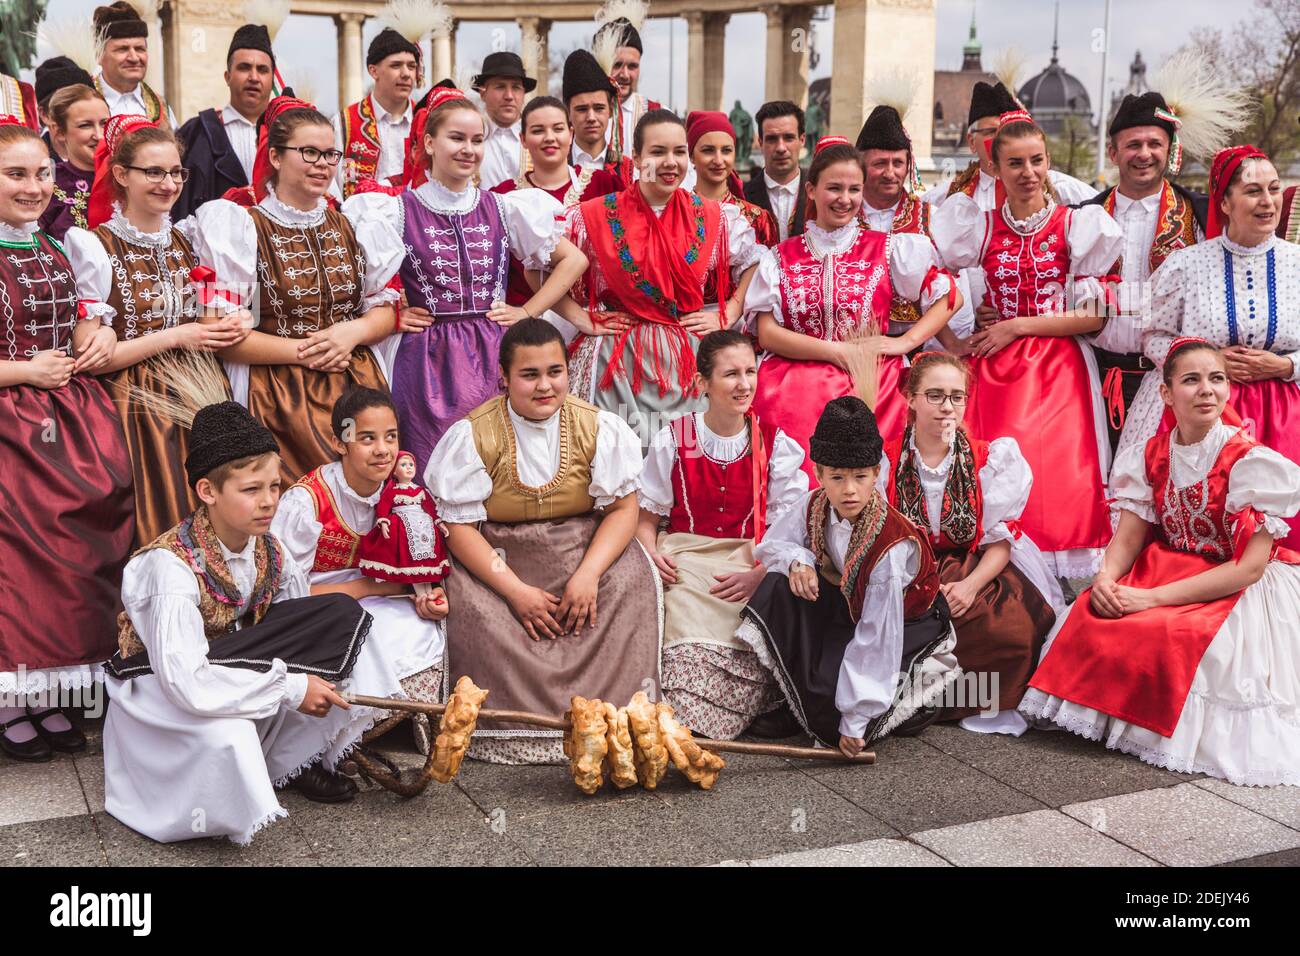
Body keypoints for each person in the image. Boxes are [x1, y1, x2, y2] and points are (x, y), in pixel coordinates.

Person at [102, 401, 390, 844]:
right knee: (229, 735)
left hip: (227, 660)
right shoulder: (169, 569)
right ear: (207, 491)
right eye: (252, 489)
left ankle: (293, 757)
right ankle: (237, 784)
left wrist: (306, 669)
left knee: (339, 616)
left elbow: (293, 618)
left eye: (275, 486)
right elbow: (185, 682)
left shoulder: (268, 547)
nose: (270, 501)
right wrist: (292, 687)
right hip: (160, 689)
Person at [1021, 338, 1300, 787]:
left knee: (1172, 631)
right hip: (1171, 565)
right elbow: (1128, 537)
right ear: (1166, 394)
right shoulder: (1150, 456)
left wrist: (1149, 598)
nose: (1207, 390)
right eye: (1192, 380)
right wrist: (1106, 578)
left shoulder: (1251, 462)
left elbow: (1249, 568)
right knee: (1092, 612)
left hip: (1236, 583)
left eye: (1217, 379)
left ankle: (1161, 731)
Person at [426, 319, 655, 764]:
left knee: (630, 580)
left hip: (581, 548)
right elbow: (457, 528)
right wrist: (515, 593)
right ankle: (513, 730)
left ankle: (615, 718)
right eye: (529, 375)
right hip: (501, 558)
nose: (545, 386)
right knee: (473, 605)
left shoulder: (601, 428)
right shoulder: (472, 435)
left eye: (555, 372)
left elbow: (623, 510)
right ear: (504, 378)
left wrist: (588, 574)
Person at [343, 88, 589, 475]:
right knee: (430, 463)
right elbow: (362, 283)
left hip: (493, 352)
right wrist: (393, 313)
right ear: (430, 142)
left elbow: (573, 260)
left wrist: (527, 311)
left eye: (477, 140)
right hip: (426, 357)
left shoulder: (504, 206)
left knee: (495, 462)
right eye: (457, 138)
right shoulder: (395, 210)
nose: (468, 150)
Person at [931, 110, 1122, 579]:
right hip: (993, 367)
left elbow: (1094, 314)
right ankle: (1001, 575)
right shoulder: (978, 225)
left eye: (1036, 160)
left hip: (1058, 367)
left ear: (1048, 161)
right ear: (994, 167)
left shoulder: (1076, 224)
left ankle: (1056, 585)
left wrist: (1017, 326)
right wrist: (954, 338)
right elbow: (933, 284)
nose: (1028, 173)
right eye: (1015, 163)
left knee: (1057, 472)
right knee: (995, 463)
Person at [0, 119, 133, 762]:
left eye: (42, 173)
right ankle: (10, 698)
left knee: (76, 551)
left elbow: (83, 314)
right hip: (10, 422)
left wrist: (95, 334)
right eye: (16, 174)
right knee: (23, 561)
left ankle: (53, 688)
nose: (33, 186)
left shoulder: (55, 245)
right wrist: (24, 370)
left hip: (68, 414)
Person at [185, 95, 405, 484]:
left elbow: (386, 308)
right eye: (308, 152)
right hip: (278, 397)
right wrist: (307, 353)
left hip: (357, 387)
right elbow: (225, 335)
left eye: (330, 154)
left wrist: (350, 333)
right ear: (274, 157)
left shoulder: (355, 221)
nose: (322, 164)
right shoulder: (240, 227)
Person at [738, 397, 961, 754]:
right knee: (778, 584)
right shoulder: (815, 504)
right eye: (837, 478)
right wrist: (800, 562)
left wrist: (855, 720)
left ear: (876, 473)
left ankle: (906, 701)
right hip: (848, 609)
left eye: (860, 477)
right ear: (819, 473)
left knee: (835, 713)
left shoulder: (889, 545)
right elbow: (772, 544)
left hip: (903, 623)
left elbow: (877, 633)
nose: (849, 490)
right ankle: (791, 697)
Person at [66, 117, 247, 543]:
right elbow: (92, 359)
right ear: (122, 175)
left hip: (204, 396)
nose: (168, 183)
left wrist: (235, 320)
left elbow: (218, 316)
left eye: (175, 172)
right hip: (134, 409)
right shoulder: (94, 247)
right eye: (153, 172)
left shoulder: (193, 238)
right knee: (160, 518)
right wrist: (177, 337)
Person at [1116, 145, 1300, 550]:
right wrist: (1209, 363)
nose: (1267, 201)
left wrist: (1284, 366)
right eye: (1253, 191)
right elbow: (1153, 337)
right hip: (1199, 412)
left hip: (1283, 415)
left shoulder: (1297, 264)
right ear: (1226, 202)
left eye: (1273, 188)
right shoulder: (1187, 264)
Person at [747, 138, 959, 481]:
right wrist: (837, 351)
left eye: (854, 189)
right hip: (795, 378)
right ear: (811, 190)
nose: (845, 199)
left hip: (873, 378)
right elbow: (768, 333)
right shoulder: (780, 256)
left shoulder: (888, 248)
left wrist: (904, 343)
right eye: (834, 188)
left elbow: (949, 296)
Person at [636, 330, 808, 739]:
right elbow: (644, 519)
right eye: (731, 374)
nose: (744, 383)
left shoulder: (773, 443)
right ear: (702, 384)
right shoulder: (674, 438)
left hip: (751, 557)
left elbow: (791, 525)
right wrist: (650, 555)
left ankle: (733, 715)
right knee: (683, 625)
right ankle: (689, 720)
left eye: (750, 371)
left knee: (755, 621)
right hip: (687, 555)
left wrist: (762, 573)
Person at [558, 109, 764, 449]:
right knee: (620, 460)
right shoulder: (592, 215)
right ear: (636, 158)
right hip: (618, 359)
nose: (671, 163)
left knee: (684, 458)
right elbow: (540, 265)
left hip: (687, 361)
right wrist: (582, 319)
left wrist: (728, 311)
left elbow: (754, 262)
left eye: (679, 152)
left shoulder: (714, 216)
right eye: (658, 152)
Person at [880, 352, 1062, 735]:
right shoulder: (886, 459)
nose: (948, 407)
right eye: (935, 395)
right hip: (906, 566)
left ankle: (972, 701)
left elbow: (1000, 543)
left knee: (1010, 631)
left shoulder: (989, 459)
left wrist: (969, 586)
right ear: (910, 398)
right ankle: (912, 699)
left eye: (957, 396)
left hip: (972, 564)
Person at [273, 388, 447, 755]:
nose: (383, 450)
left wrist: (424, 597)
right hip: (317, 606)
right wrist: (371, 588)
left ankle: (386, 727)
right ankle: (336, 742)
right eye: (367, 438)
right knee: (366, 636)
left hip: (375, 595)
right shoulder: (306, 502)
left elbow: (413, 566)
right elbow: (282, 599)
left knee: (423, 629)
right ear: (340, 442)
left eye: (390, 437)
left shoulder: (401, 496)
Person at [1081, 83, 1221, 451]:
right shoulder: (1083, 217)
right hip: (1092, 374)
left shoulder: (1202, 215)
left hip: (1172, 384)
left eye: (1154, 144)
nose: (1144, 154)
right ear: (1113, 152)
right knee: (1096, 482)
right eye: (1133, 145)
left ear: (1169, 150)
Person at [855, 97, 977, 342]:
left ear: (908, 165)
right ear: (861, 164)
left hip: (919, 348)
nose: (890, 173)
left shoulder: (932, 219)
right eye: (880, 163)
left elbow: (953, 301)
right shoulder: (843, 218)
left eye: (898, 163)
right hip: (850, 344)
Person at [490, 96, 622, 316]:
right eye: (538, 130)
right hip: (526, 321)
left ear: (570, 134)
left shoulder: (604, 185)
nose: (549, 138)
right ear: (523, 139)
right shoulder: (502, 196)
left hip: (594, 316)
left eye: (558, 129)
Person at [923, 81, 1093, 209]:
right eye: (991, 131)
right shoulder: (948, 196)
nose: (1000, 139)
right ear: (972, 142)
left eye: (1007, 131)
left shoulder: (1062, 188)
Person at [173, 23, 275, 218]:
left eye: (262, 70)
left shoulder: (290, 136)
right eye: (244, 68)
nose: (254, 77)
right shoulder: (195, 133)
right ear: (227, 77)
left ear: (272, 80)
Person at [332, 27, 420, 200]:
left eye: (412, 66)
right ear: (373, 71)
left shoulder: (429, 121)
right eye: (396, 65)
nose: (406, 74)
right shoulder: (344, 122)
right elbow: (332, 186)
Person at [688, 111, 778, 248]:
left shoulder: (758, 219)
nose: (718, 160)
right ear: (692, 156)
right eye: (708, 150)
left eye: (726, 150)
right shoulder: (678, 214)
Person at [594, 5, 661, 169]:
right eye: (617, 65)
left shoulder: (657, 115)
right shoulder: (580, 116)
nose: (624, 74)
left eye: (632, 66)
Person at [38, 85, 107, 241]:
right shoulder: (47, 179)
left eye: (104, 123)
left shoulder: (128, 176)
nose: (99, 135)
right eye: (85, 125)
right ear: (59, 131)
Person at [91, 2, 175, 126]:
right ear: (99, 55)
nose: (134, 58)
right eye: (123, 49)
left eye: (140, 49)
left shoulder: (162, 108)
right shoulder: (81, 103)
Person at [562, 49, 634, 185]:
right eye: (582, 109)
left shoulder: (629, 171)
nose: (591, 117)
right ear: (568, 112)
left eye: (599, 108)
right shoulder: (553, 166)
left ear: (610, 109)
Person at [744, 100, 807, 242]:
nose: (781, 148)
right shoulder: (741, 196)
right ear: (760, 143)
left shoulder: (821, 193)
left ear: (802, 140)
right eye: (772, 139)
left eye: (788, 138)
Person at [473, 51, 535, 190]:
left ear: (523, 93)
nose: (509, 96)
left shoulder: (537, 136)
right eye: (500, 87)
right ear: (483, 93)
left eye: (516, 87)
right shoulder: (469, 136)